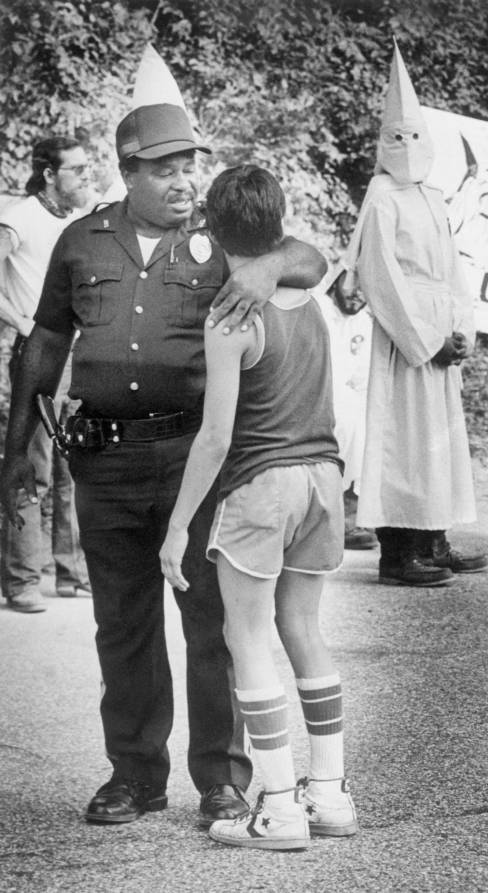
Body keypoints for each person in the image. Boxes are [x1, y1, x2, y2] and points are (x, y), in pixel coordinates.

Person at [0, 62, 327, 826]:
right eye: (166, 169)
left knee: (213, 620)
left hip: (195, 461)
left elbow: (310, 260)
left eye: (190, 166)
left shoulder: (218, 239)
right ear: (128, 172)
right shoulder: (81, 242)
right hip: (104, 460)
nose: (184, 181)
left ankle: (221, 777)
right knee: (123, 624)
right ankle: (135, 774)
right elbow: (44, 343)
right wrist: (17, 448)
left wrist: (271, 264)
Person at [160, 164, 358, 851]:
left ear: (213, 230)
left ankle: (276, 808)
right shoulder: (313, 303)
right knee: (303, 629)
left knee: (246, 637)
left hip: (262, 486)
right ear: (280, 222)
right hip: (322, 479)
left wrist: (178, 524)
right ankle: (329, 795)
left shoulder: (231, 319)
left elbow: (216, 437)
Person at [340, 41, 488, 587]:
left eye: (414, 137)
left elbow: (452, 272)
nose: (406, 147)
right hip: (408, 340)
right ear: (382, 144)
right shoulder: (383, 197)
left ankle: (434, 541)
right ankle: (398, 555)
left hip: (440, 332)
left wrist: (462, 330)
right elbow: (380, 275)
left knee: (437, 441)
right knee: (402, 441)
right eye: (395, 138)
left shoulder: (432, 196)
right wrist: (426, 339)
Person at [0, 136, 91, 613]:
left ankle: (72, 574)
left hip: (78, 354)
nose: (86, 176)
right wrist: (20, 322)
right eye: (77, 169)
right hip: (37, 354)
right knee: (31, 465)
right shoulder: (20, 218)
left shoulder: (79, 219)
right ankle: (21, 581)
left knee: (75, 464)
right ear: (50, 174)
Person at [315, 266, 377, 550]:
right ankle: (322, 519)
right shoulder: (316, 308)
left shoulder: (364, 323)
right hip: (314, 394)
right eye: (354, 285)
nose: (358, 295)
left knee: (363, 420)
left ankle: (347, 515)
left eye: (365, 291)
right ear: (338, 278)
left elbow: (362, 380)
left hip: (346, 400)